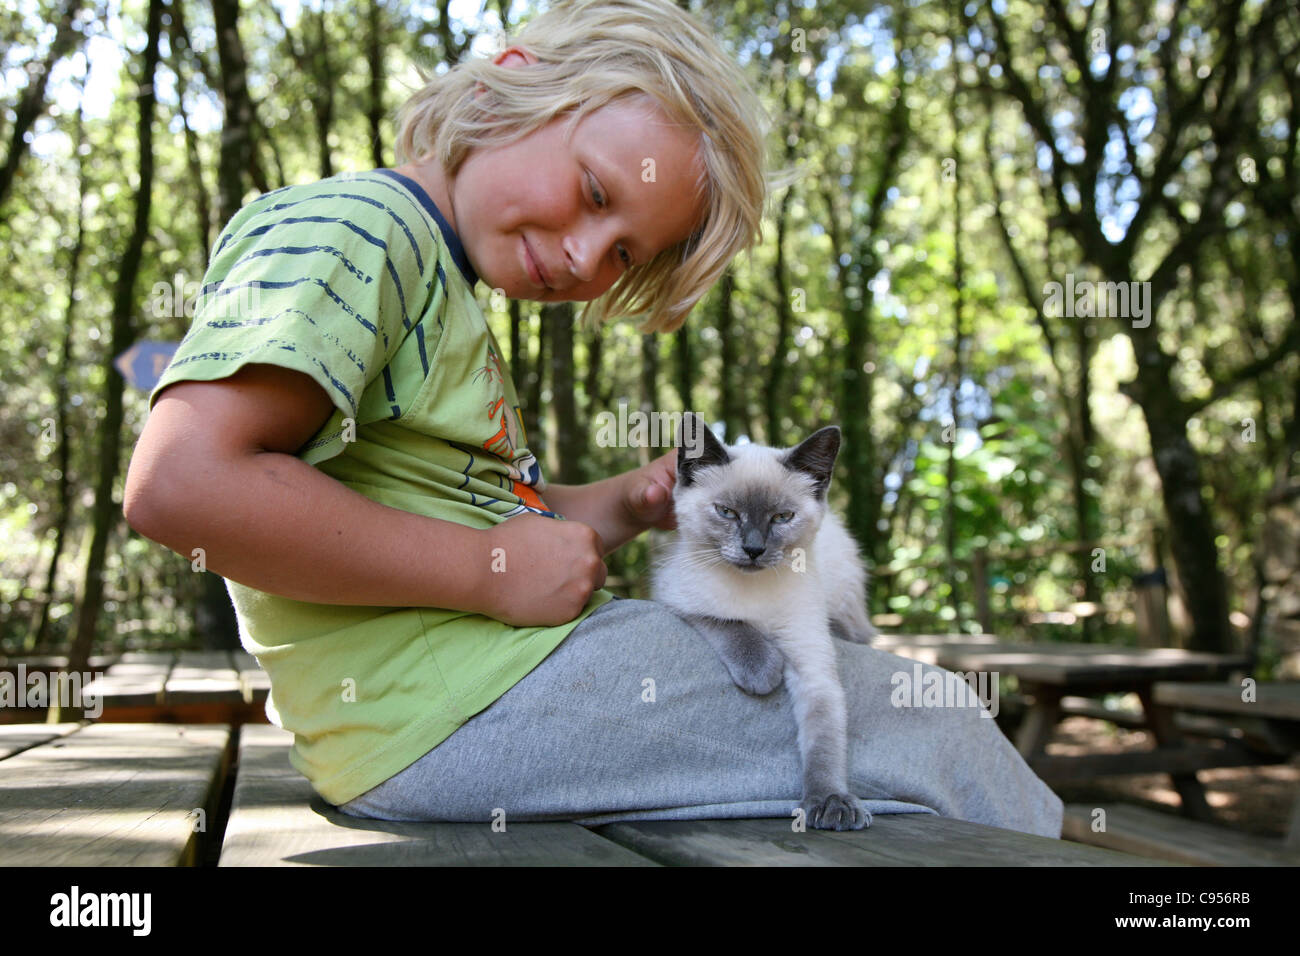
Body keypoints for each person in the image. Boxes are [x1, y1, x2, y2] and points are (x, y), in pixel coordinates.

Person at [124, 0, 1063, 839]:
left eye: (622, 253)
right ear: (509, 90)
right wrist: (489, 574)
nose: (583, 257)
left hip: (451, 704)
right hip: (455, 714)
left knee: (882, 717)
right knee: (928, 712)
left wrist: (616, 504)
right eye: (598, 192)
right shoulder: (364, 230)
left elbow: (472, 517)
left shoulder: (436, 279)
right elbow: (182, 486)